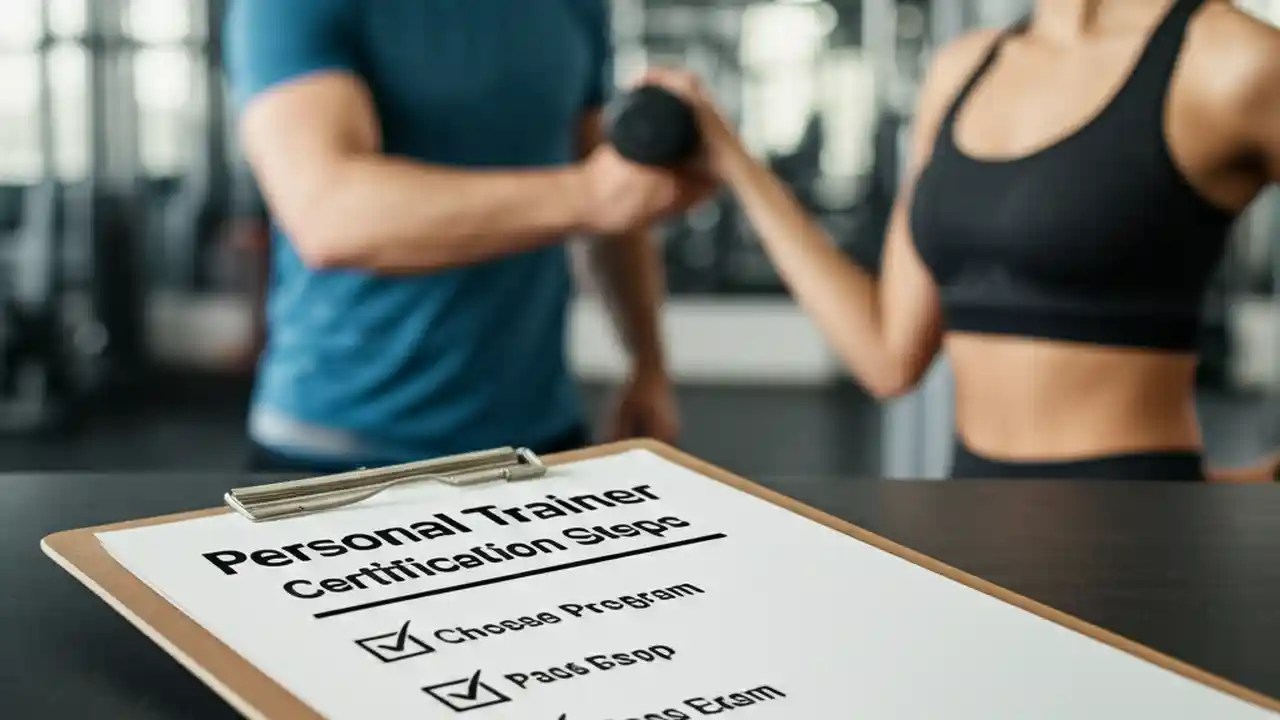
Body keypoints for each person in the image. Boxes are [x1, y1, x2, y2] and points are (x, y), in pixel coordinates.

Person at [646, 0, 1280, 481]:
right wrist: (733, 162)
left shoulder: (1234, 62)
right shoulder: (967, 68)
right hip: (967, 501)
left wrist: (1260, 485)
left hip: (1138, 515)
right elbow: (887, 355)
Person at [224, 0, 710, 472]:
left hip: (537, 437)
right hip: (337, 446)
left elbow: (610, 195)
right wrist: (594, 195)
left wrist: (647, 363)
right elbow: (329, 215)